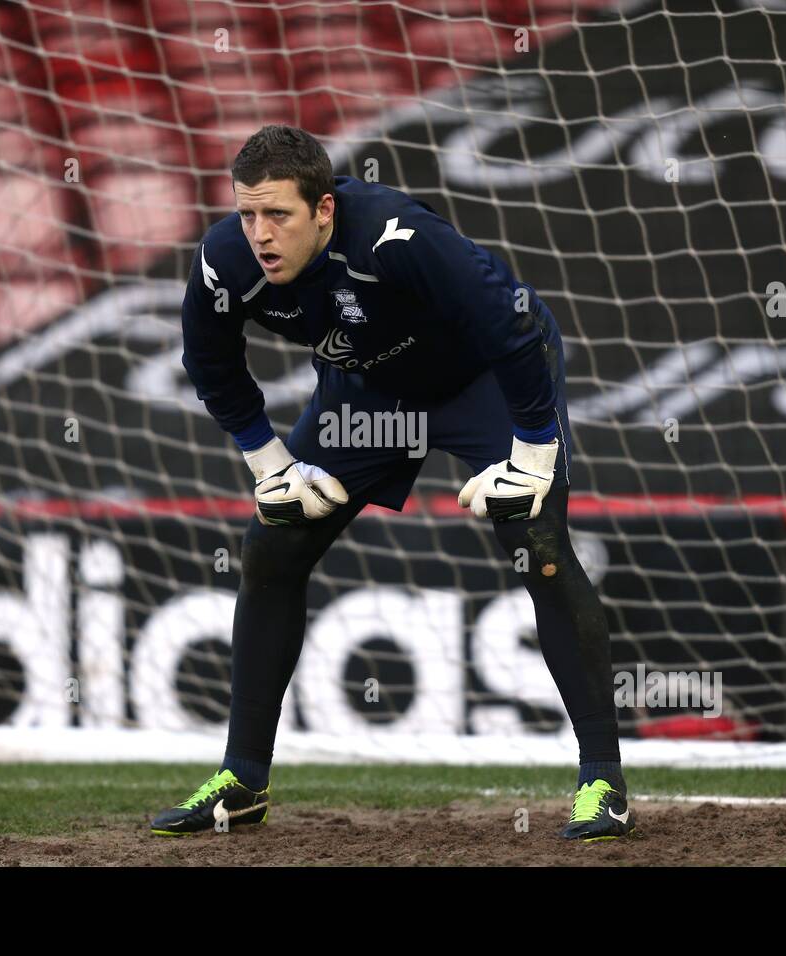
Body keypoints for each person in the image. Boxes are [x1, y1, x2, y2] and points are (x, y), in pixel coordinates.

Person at [150, 125, 631, 842]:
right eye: (247, 213)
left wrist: (533, 449)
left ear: (325, 211)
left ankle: (604, 783)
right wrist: (267, 461)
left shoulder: (396, 238)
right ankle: (243, 779)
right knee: (273, 546)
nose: (259, 234)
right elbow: (209, 361)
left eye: (277, 214)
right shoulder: (226, 259)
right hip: (370, 398)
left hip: (482, 384)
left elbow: (513, 325)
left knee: (537, 541)